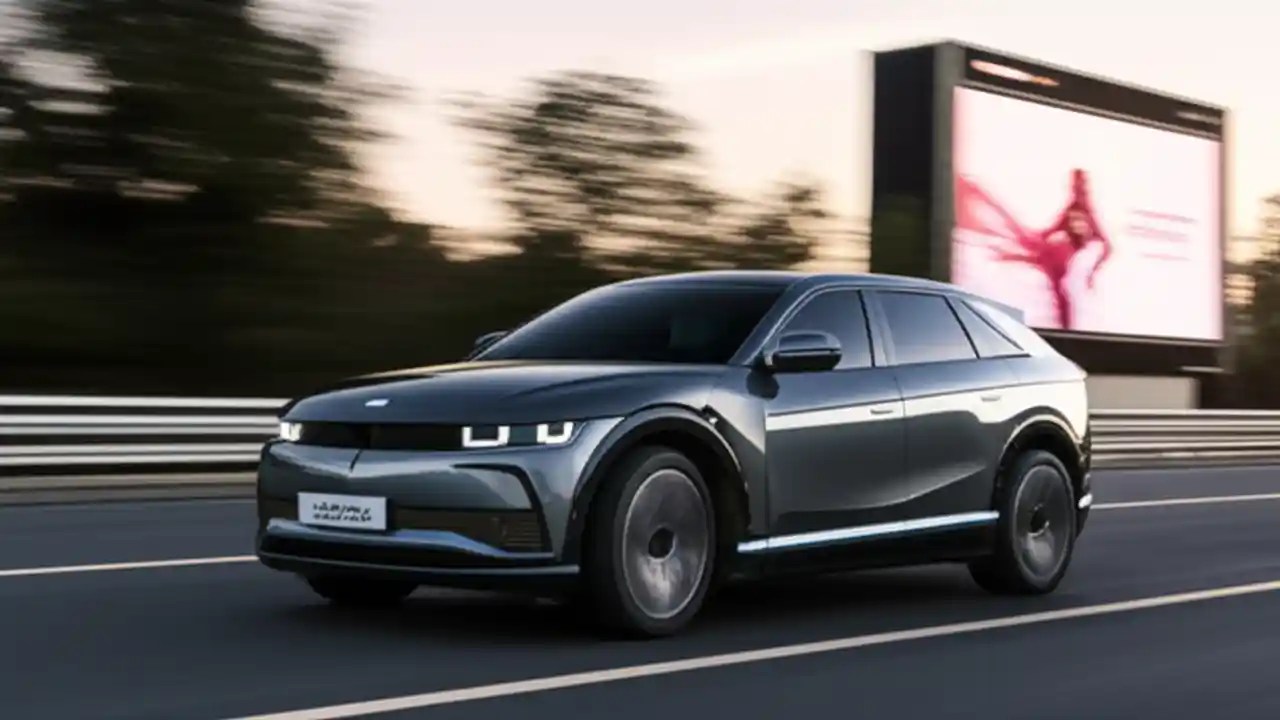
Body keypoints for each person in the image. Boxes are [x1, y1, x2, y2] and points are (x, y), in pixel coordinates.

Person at [953, 169, 1112, 330]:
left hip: (1071, 256)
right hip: (1060, 254)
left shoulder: (1086, 212)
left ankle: (1067, 328)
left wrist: (1092, 271)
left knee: (1059, 280)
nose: (1076, 188)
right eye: (1075, 184)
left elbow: (1105, 243)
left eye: (1079, 184)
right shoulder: (1073, 209)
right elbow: (1053, 230)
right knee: (1046, 261)